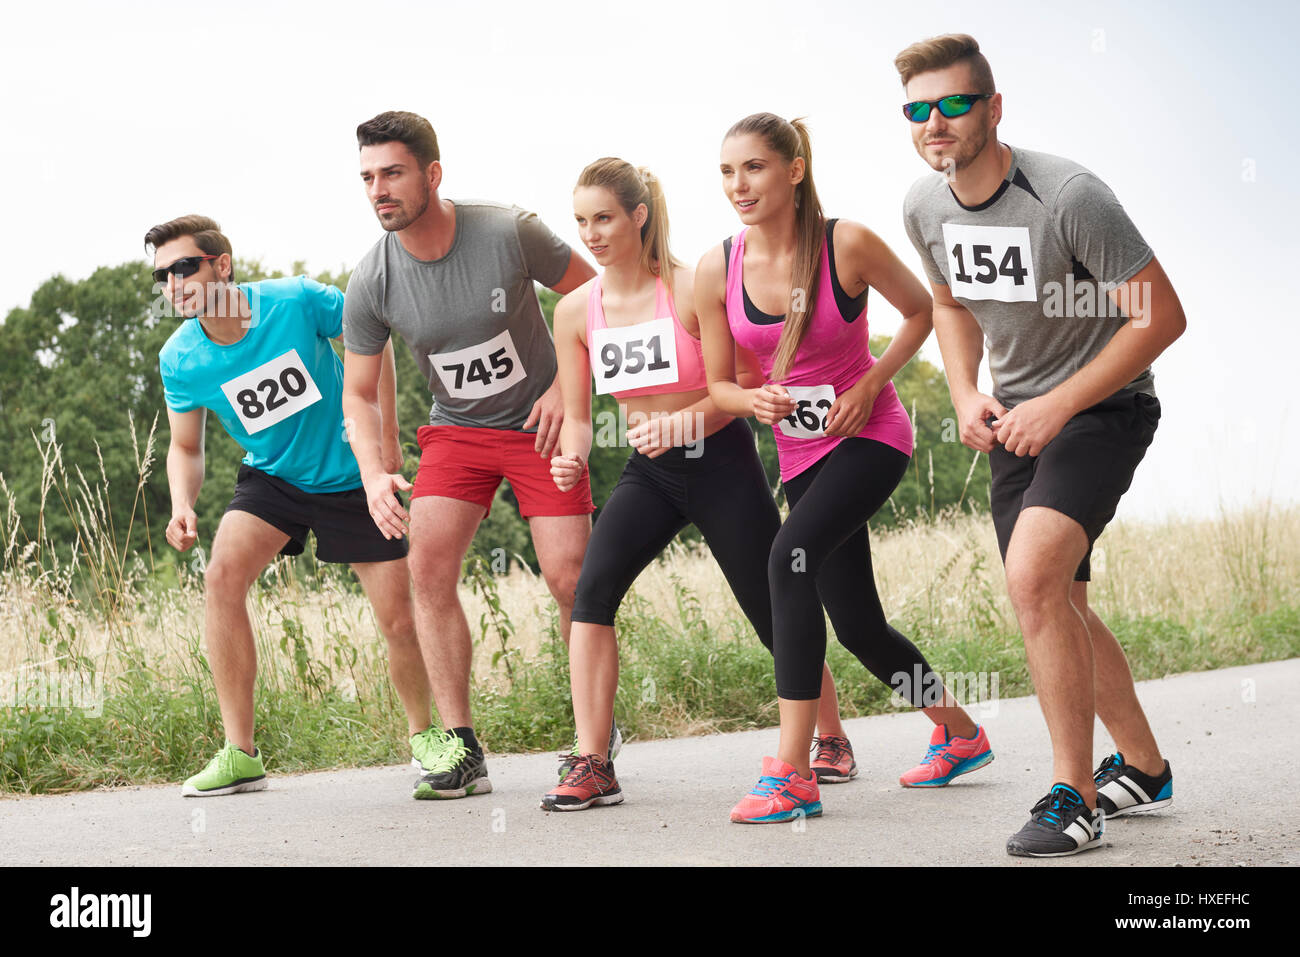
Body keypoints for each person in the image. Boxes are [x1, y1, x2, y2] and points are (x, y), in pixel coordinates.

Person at [896, 34, 1185, 856]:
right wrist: (963, 390)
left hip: (1103, 406)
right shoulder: (924, 204)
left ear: (993, 107)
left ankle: (1074, 796)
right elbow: (949, 303)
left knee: (1032, 580)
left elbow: (1159, 317)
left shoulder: (1068, 197)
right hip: (1015, 419)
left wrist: (1059, 404)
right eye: (917, 110)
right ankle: (1145, 764)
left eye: (953, 103)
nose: (935, 122)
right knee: (1060, 600)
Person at [696, 114, 994, 824]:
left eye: (755, 168)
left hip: (871, 437)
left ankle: (791, 770)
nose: (739, 185)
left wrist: (870, 381)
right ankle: (961, 733)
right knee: (859, 624)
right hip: (801, 454)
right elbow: (719, 386)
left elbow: (923, 312)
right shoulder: (719, 267)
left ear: (794, 169)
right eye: (728, 171)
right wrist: (753, 397)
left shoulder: (845, 243)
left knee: (788, 555)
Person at [540, 158, 855, 812]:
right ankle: (593, 760)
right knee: (592, 593)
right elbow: (576, 417)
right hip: (649, 474)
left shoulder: (691, 288)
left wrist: (683, 420)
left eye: (603, 217)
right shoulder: (574, 311)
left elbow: (738, 388)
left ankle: (829, 736)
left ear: (639, 215)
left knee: (772, 605)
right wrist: (570, 459)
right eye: (580, 222)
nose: (591, 234)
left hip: (721, 461)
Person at [341, 111, 596, 799]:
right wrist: (371, 472)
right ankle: (461, 748)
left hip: (540, 423)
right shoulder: (371, 280)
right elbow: (359, 395)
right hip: (457, 432)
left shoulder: (508, 231)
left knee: (570, 575)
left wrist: (568, 395)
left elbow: (599, 297)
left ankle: (591, 744)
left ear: (432, 173)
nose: (378, 189)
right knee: (426, 566)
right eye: (367, 177)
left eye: (392, 172)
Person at [148, 214, 431, 797]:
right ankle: (240, 752)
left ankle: (428, 739)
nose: (173, 283)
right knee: (221, 577)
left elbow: (368, 333)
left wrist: (385, 436)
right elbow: (184, 446)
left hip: (353, 474)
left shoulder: (295, 299)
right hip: (273, 479)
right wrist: (182, 502)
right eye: (161, 275)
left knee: (398, 617)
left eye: (184, 267)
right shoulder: (180, 358)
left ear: (220, 264)